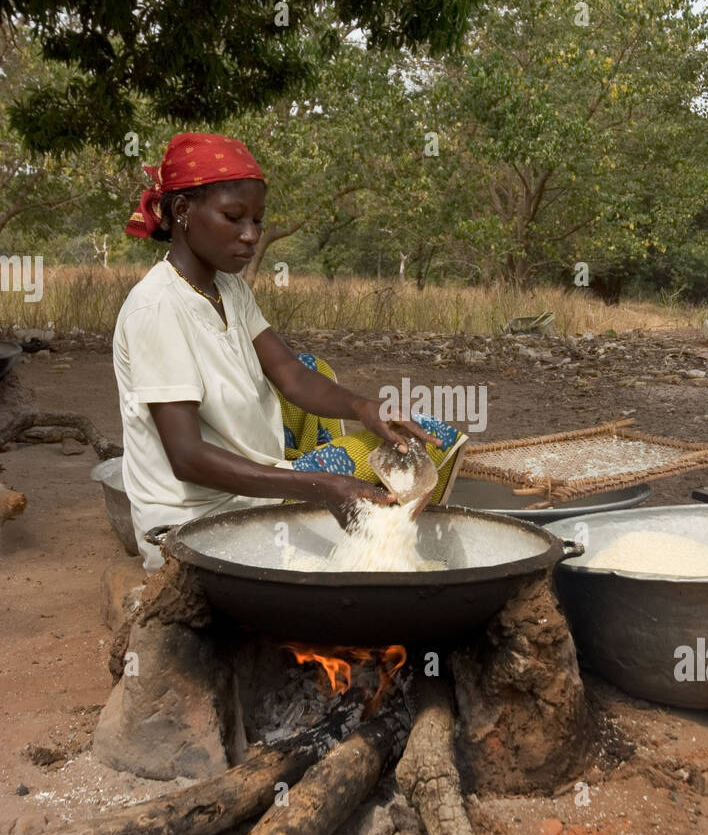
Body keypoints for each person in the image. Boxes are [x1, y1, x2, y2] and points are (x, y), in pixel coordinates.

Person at [113, 132, 467, 572]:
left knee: (315, 370)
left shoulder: (228, 288)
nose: (250, 236)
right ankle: (373, 556)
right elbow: (186, 457)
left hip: (242, 494)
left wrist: (368, 407)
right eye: (234, 217)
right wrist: (318, 485)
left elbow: (292, 376)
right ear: (182, 212)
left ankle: (349, 530)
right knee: (431, 437)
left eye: (258, 221)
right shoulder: (157, 308)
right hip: (200, 524)